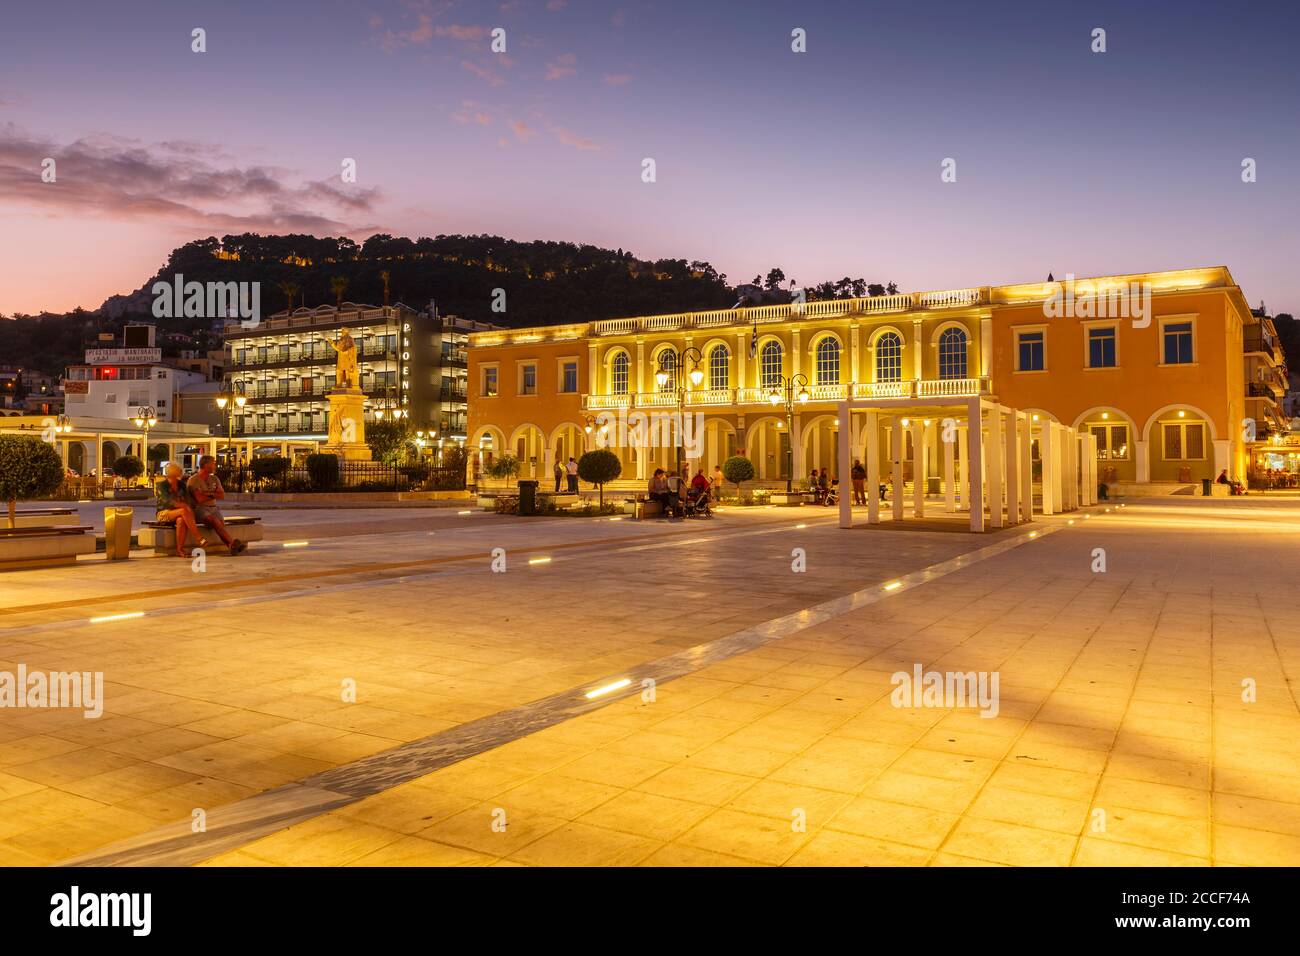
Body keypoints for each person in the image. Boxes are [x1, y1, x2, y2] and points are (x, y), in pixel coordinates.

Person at [187, 455, 246, 554]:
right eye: (213, 463)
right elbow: (199, 499)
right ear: (206, 465)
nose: (215, 465)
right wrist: (214, 494)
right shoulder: (194, 480)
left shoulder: (214, 479)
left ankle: (231, 546)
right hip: (200, 509)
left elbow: (222, 495)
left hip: (214, 508)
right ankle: (232, 542)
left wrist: (206, 493)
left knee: (220, 524)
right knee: (214, 520)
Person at [156, 462, 205, 558]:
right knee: (184, 510)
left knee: (181, 520)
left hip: (182, 513)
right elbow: (167, 501)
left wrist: (185, 506)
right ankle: (198, 537)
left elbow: (187, 500)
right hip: (164, 513)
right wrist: (183, 505)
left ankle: (180, 550)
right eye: (178, 470)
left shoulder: (182, 485)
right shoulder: (162, 485)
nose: (181, 471)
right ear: (172, 472)